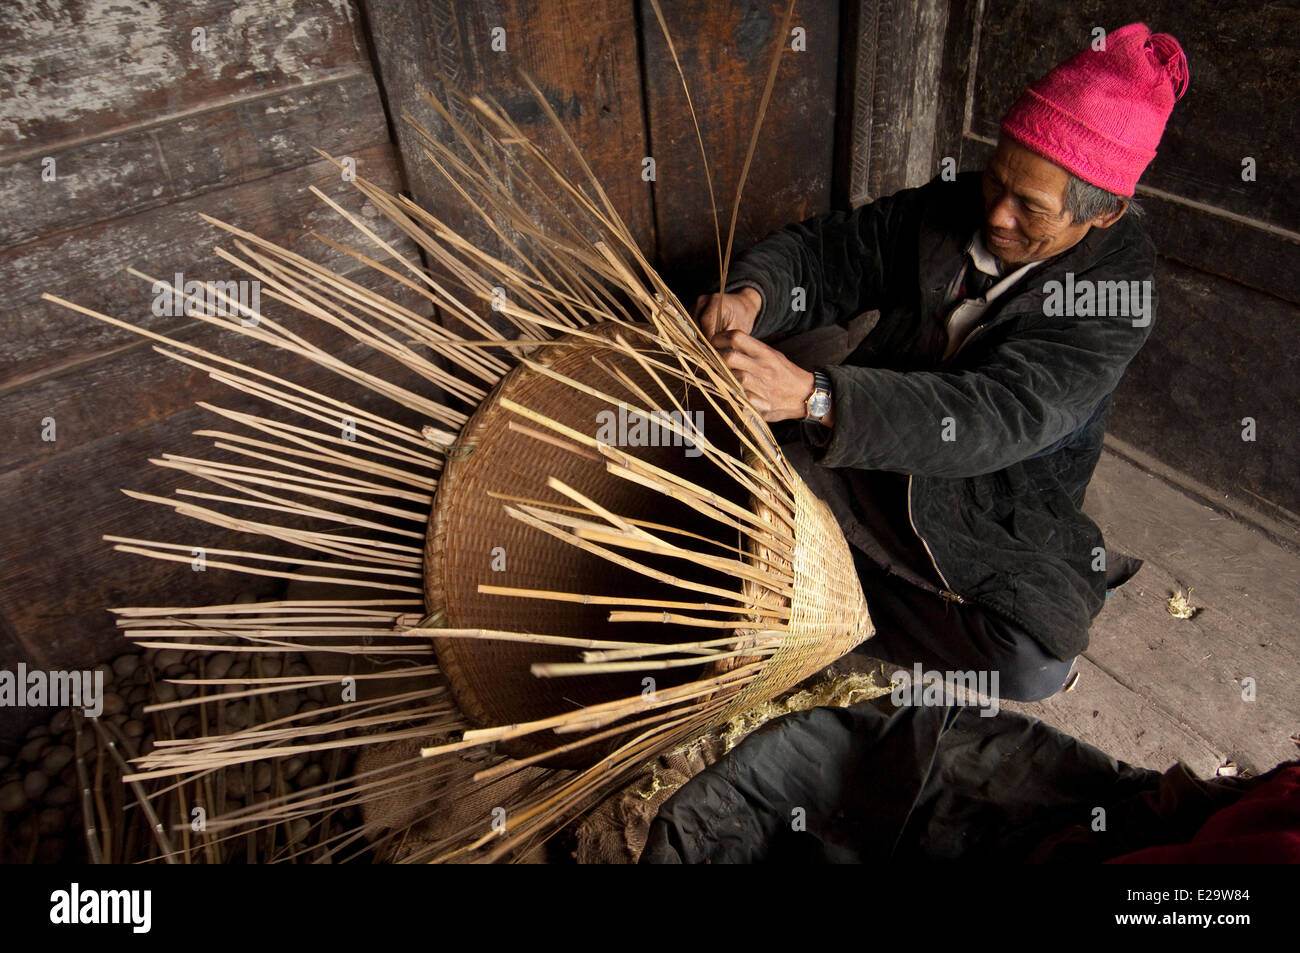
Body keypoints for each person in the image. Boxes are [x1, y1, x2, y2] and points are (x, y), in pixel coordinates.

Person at [694, 23, 1189, 701]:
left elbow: (994, 415)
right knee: (718, 506)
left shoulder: (1116, 296)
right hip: (867, 448)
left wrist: (815, 397)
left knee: (1028, 661)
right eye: (999, 181)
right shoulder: (956, 204)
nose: (998, 214)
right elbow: (828, 255)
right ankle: (821, 582)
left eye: (1030, 207)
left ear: (1102, 217)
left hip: (993, 492)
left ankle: (832, 605)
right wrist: (754, 296)